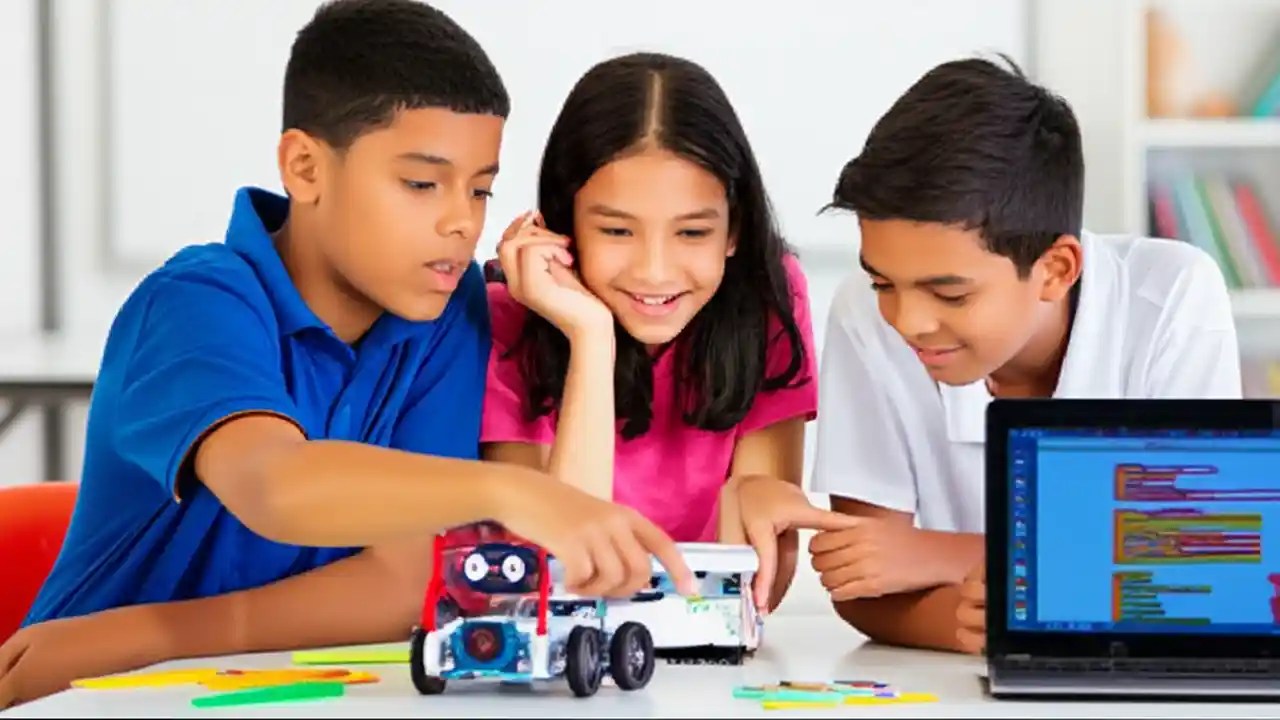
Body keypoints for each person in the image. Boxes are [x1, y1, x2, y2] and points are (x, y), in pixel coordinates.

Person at [0, 1, 691, 708]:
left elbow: (404, 579)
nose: (462, 221)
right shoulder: (194, 303)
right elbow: (274, 486)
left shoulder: (448, 314)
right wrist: (515, 491)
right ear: (305, 167)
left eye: (481, 188)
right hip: (88, 694)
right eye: (421, 184)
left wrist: (157, 635)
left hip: (258, 684)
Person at [807, 56, 1242, 654]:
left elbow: (1195, 566)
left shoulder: (1171, 296)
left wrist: (940, 554)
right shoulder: (863, 313)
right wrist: (1015, 618)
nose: (907, 321)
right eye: (883, 282)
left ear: (1055, 270)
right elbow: (861, 579)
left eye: (950, 294)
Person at [480, 52, 859, 615]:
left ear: (734, 229)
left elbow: (757, 591)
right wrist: (591, 338)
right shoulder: (507, 318)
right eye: (616, 230)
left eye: (692, 233)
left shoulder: (767, 298)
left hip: (704, 639)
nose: (655, 272)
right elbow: (554, 582)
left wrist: (752, 508)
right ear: (564, 225)